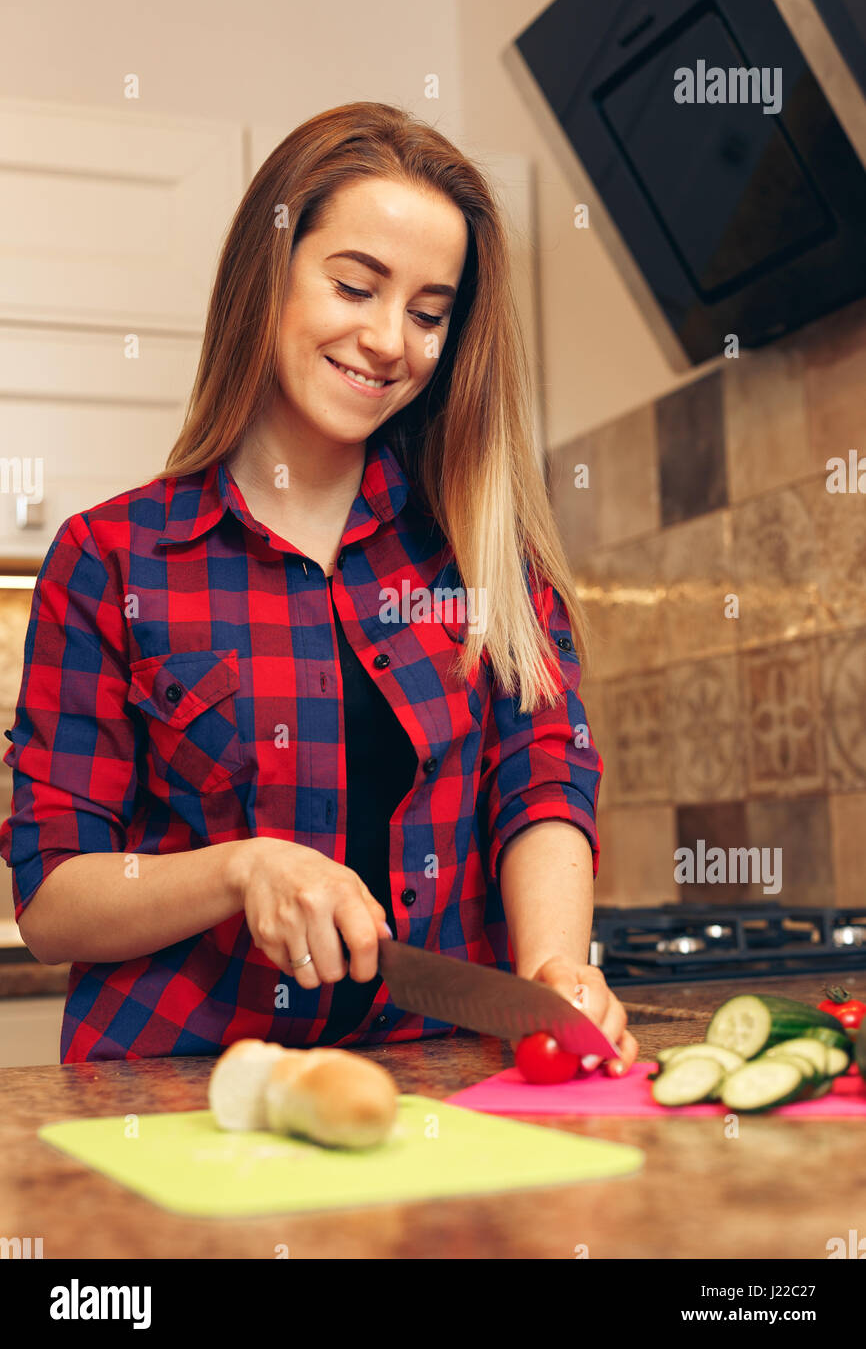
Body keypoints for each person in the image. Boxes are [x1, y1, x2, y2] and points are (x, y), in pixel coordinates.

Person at [0, 101, 637, 1073]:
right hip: (183, 1093)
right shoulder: (112, 560)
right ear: (270, 275)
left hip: (444, 1085)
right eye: (354, 286)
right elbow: (51, 903)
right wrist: (240, 869)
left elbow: (539, 780)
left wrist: (551, 961)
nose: (390, 340)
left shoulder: (480, 557)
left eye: (429, 313)